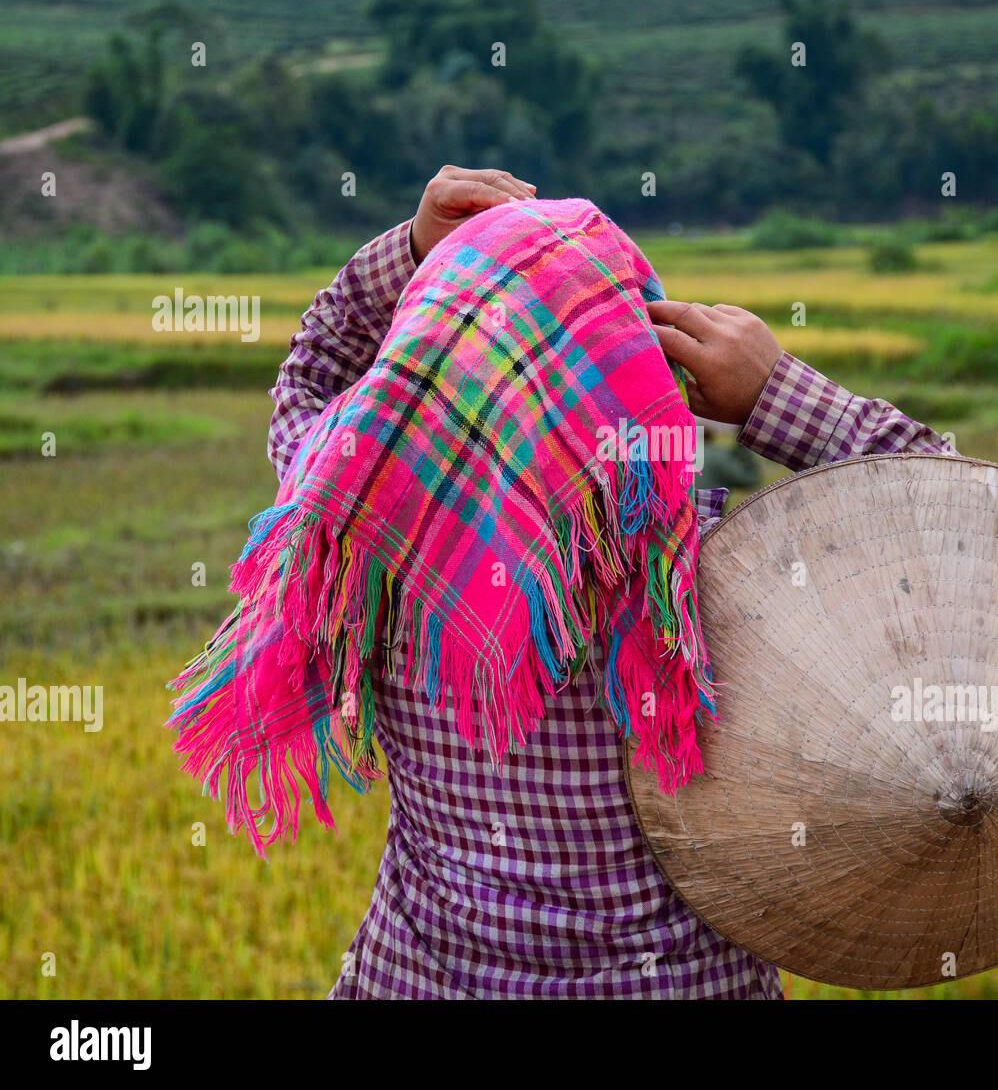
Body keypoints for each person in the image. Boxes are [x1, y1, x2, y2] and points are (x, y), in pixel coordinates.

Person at [268, 165, 957, 999]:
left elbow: (313, 372)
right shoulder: (700, 573)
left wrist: (412, 251)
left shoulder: (366, 522)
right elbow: (962, 524)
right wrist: (775, 391)